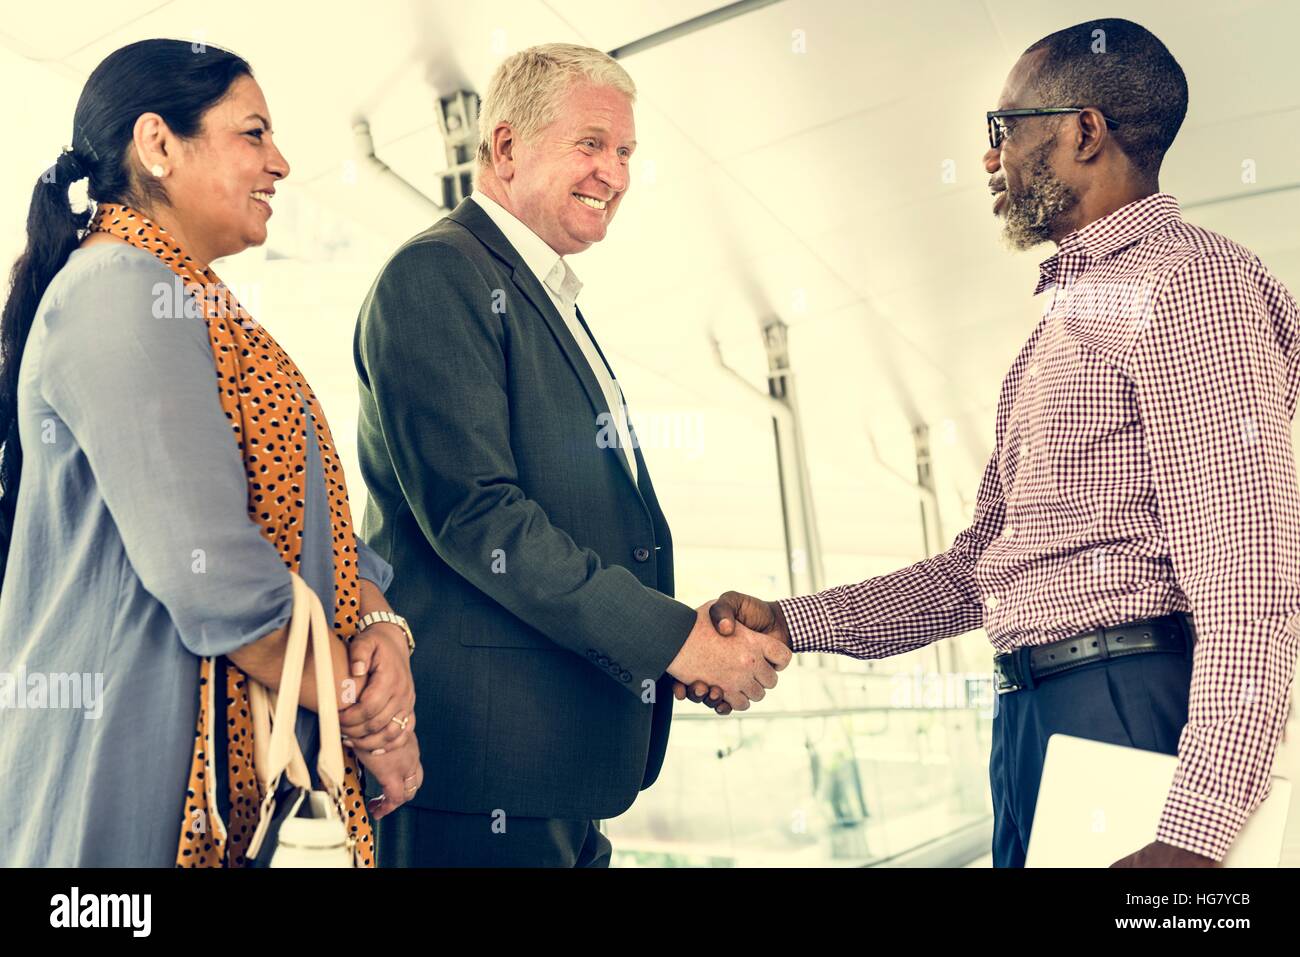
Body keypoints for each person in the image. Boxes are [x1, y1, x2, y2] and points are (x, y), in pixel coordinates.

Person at [678, 17, 1300, 869]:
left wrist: (1193, 836)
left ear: (1084, 130)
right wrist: (793, 618)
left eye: (1002, 129)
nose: (987, 159)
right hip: (1034, 720)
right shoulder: (1070, 319)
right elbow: (980, 568)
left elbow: (1249, 573)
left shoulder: (1191, 283)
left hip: (1124, 711)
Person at [354, 42, 790, 867]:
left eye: (625, 152)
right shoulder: (437, 274)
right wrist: (674, 639)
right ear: (507, 146)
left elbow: (576, 519)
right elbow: (482, 517)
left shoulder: (543, 296)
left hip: (557, 771)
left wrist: (669, 649)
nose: (615, 174)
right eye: (591, 143)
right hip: (479, 774)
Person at [0, 38, 420, 867]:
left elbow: (306, 512)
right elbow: (212, 573)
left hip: (213, 767)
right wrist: (368, 716)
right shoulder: (116, 289)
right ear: (158, 145)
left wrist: (379, 621)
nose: (282, 163)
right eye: (253, 134)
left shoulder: (194, 302)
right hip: (125, 772)